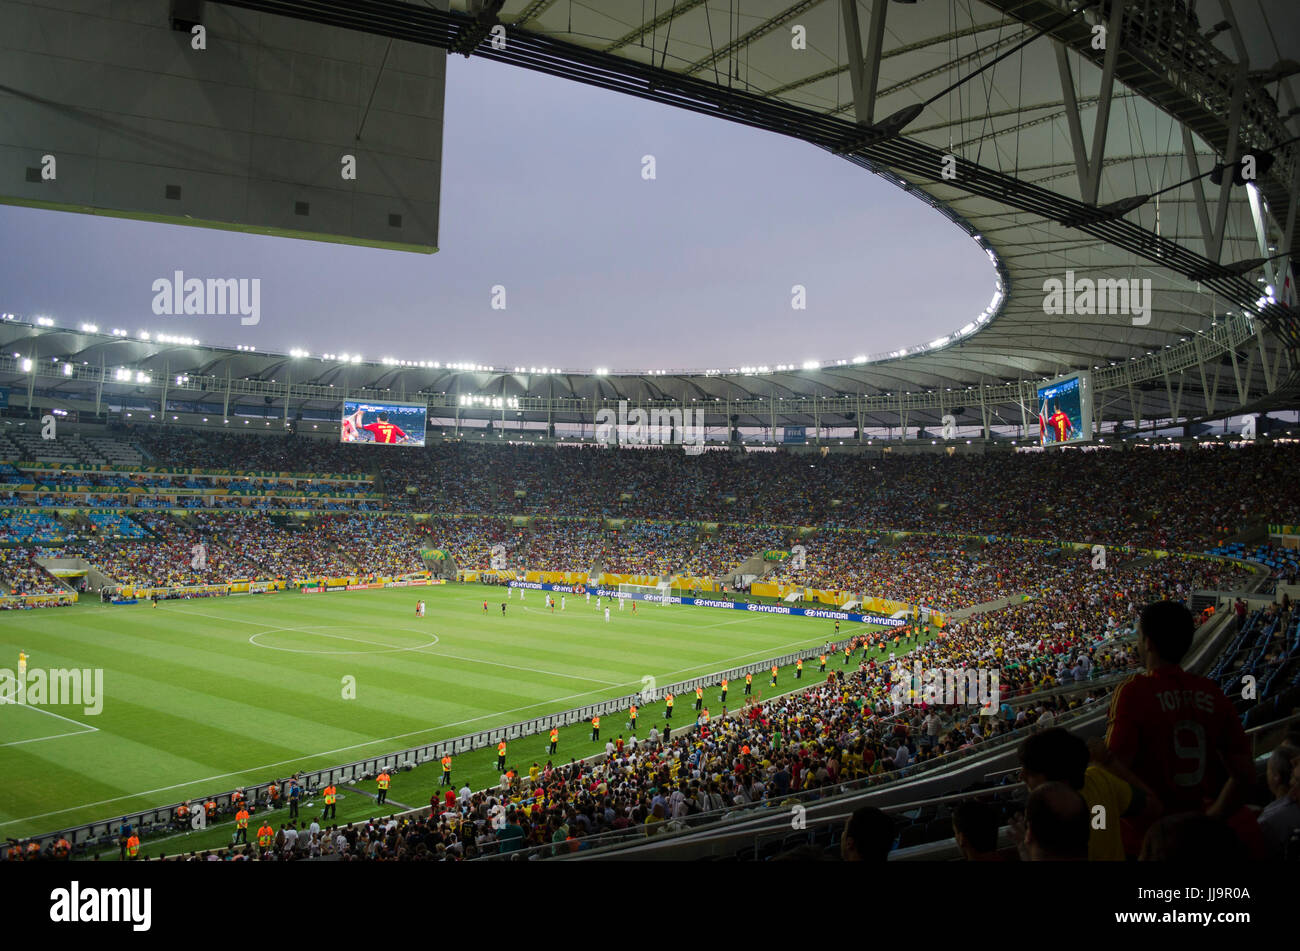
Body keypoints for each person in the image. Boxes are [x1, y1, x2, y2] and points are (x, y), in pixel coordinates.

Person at [1104, 601, 1253, 827]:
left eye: (1139, 636)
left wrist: (1098, 756)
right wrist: (1212, 819)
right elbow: (1245, 775)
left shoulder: (1133, 692)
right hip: (1196, 830)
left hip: (1145, 837)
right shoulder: (1211, 692)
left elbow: (1113, 772)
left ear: (1149, 643)